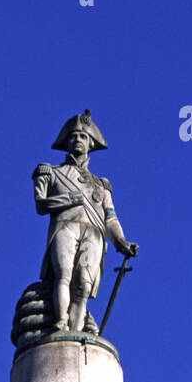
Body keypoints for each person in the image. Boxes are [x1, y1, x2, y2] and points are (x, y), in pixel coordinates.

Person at [33, 110, 138, 335]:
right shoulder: (51, 173)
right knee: (64, 274)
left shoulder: (101, 185)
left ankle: (76, 330)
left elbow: (110, 219)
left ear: (90, 143)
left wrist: (122, 242)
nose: (77, 140)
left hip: (94, 233)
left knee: (83, 286)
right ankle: (60, 324)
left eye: (82, 137)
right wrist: (71, 199)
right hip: (64, 226)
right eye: (73, 137)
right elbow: (41, 206)